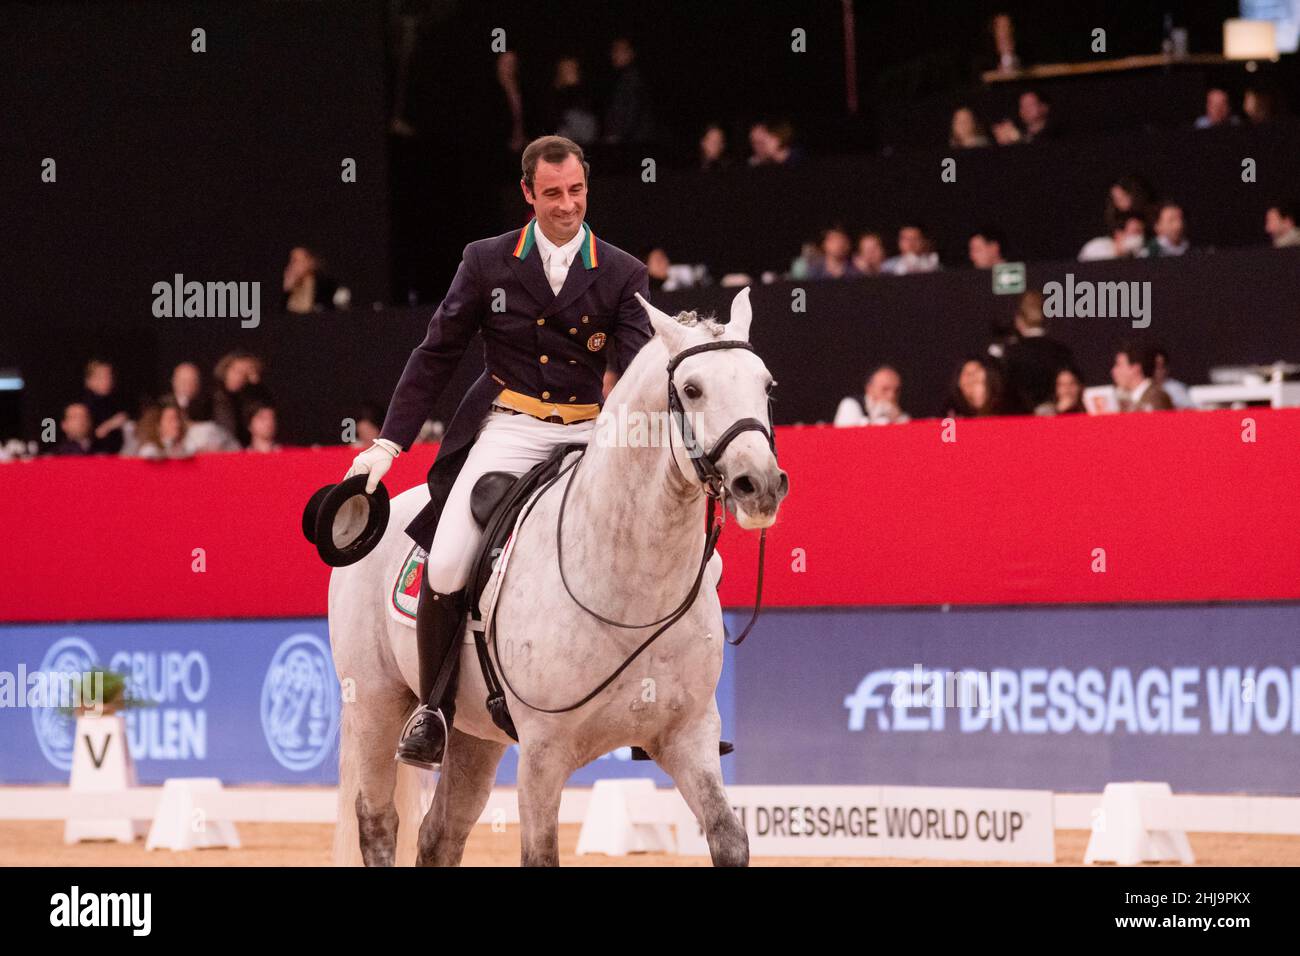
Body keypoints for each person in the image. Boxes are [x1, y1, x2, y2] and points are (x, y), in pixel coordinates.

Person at [344, 136, 651, 770]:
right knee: (450, 560)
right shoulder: (486, 261)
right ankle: (431, 709)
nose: (568, 206)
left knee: (650, 544)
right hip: (511, 426)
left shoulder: (622, 272)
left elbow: (640, 371)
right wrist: (388, 443)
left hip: (589, 433)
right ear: (528, 194)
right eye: (554, 194)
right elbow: (437, 353)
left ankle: (654, 702)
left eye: (577, 192)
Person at [1000, 291, 1075, 413]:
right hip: (1057, 420)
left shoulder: (1010, 354)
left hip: (1019, 422)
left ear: (1019, 321)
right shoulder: (1062, 351)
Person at [603, 38, 653, 144]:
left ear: (631, 53)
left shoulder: (632, 79)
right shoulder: (621, 78)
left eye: (619, 50)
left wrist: (617, 136)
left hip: (631, 141)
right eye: (613, 50)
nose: (614, 55)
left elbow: (631, 110)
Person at [81, 359, 130, 454]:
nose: (107, 381)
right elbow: (86, 437)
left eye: (109, 376)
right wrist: (110, 424)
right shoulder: (84, 406)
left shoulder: (115, 401)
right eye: (101, 377)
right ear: (89, 381)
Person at [834, 366, 910, 426]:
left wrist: (898, 418)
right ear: (869, 388)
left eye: (896, 391)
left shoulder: (899, 414)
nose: (891, 396)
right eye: (885, 389)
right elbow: (846, 436)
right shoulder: (850, 404)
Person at [546, 56, 598, 145]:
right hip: (562, 137)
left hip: (585, 136)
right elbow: (552, 117)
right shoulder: (553, 91)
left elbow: (589, 111)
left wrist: (574, 87)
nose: (569, 72)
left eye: (571, 68)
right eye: (565, 69)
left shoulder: (587, 89)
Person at [1111, 343, 1174, 412]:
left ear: (1135, 368)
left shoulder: (1156, 397)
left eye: (1119, 365)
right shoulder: (1122, 397)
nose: (1114, 371)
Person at [282, 247, 338, 314]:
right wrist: (288, 290)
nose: (292, 265)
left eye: (296, 261)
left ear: (310, 262)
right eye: (291, 261)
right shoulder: (291, 288)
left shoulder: (325, 285)